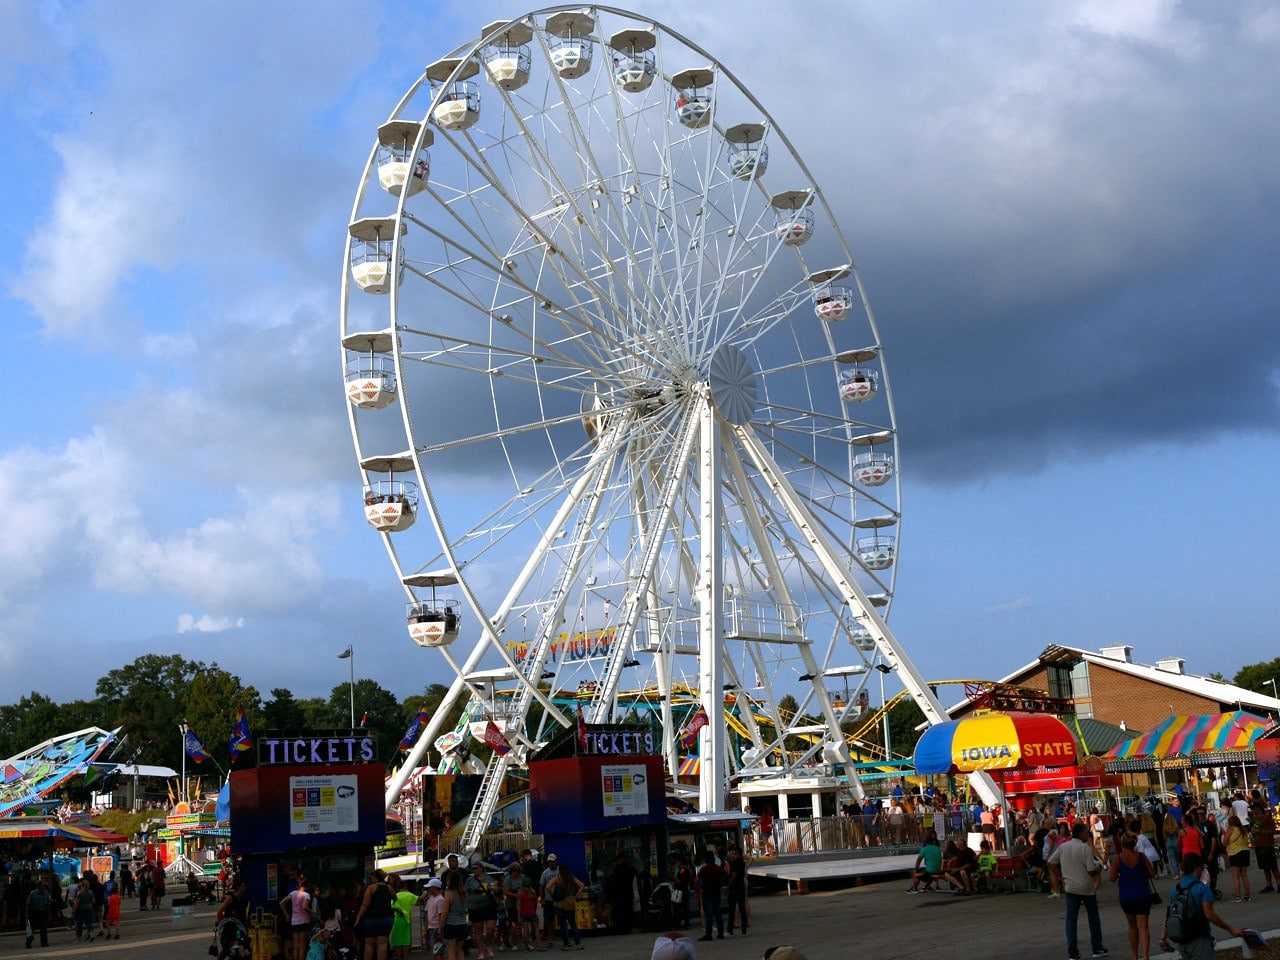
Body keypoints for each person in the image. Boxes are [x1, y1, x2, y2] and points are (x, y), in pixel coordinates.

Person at [1160, 853, 1244, 959]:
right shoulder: (1202, 889)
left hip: (1182, 940)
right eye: (1203, 868)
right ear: (1197, 868)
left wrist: (1163, 938)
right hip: (1199, 939)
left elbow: (1169, 915)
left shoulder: (1175, 889)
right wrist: (1230, 928)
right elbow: (1209, 914)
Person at [1047, 822, 1109, 960]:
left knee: (1071, 920)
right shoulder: (1085, 848)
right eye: (1086, 832)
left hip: (1070, 887)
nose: (1088, 834)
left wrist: (1061, 877)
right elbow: (1090, 869)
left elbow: (1050, 862)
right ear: (1080, 833)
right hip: (1086, 887)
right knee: (1093, 918)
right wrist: (1098, 869)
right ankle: (1097, 947)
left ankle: (1073, 952)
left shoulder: (1063, 847)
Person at [1109, 832, 1155, 960]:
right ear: (1135, 843)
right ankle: (1146, 955)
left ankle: (1134, 955)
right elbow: (1152, 873)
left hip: (1126, 896)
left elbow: (1112, 878)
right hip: (1142, 894)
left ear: (1123, 844)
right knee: (1143, 927)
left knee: (1132, 926)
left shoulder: (1118, 858)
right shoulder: (1141, 856)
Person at [357, 868, 396, 960]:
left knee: (369, 944)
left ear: (375, 878)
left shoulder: (371, 888)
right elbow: (395, 897)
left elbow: (365, 904)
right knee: (382, 943)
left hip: (372, 919)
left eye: (371, 878)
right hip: (386, 918)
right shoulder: (389, 888)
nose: (370, 880)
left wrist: (358, 917)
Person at [546, 861, 584, 950]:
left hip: (559, 904)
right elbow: (582, 885)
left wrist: (553, 896)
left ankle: (566, 945)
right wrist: (576, 896)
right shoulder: (571, 878)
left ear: (560, 870)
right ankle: (578, 944)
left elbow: (547, 887)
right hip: (570, 903)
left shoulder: (557, 878)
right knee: (573, 924)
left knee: (563, 925)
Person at [464, 861, 497, 958]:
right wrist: (466, 904)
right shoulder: (470, 880)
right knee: (478, 930)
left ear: (481, 868)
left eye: (476, 868)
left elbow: (494, 888)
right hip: (475, 907)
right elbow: (465, 892)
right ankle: (480, 951)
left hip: (488, 906)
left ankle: (487, 946)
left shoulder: (488, 878)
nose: (475, 870)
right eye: (473, 869)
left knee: (491, 928)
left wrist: (493, 889)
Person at [1248, 789, 1278, 892]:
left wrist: (1260, 831)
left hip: (1267, 844)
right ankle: (1269, 885)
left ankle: (1278, 883)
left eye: (1253, 809)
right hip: (1259, 844)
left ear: (1258, 810)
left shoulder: (1266, 818)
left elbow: (1272, 831)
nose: (1252, 811)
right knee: (1264, 866)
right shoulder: (1254, 820)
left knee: (1272, 865)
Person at [281, 875, 316, 960]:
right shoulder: (306, 895)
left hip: (294, 922)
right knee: (302, 946)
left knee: (296, 946)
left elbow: (281, 903)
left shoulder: (293, 893)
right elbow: (304, 907)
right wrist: (312, 912)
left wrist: (286, 914)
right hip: (303, 921)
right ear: (307, 886)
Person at [693, 852, 724, 942]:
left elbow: (696, 880)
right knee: (718, 913)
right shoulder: (718, 868)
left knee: (709, 914)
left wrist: (698, 889)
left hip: (707, 892)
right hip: (716, 892)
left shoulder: (704, 869)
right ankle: (721, 933)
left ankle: (708, 934)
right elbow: (722, 880)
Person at [390, 875, 422, 960]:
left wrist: (400, 911)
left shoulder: (396, 896)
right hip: (407, 920)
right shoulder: (410, 895)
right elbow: (420, 899)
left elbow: (392, 906)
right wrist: (426, 892)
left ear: (397, 887)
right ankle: (405, 957)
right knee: (405, 941)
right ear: (406, 886)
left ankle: (398, 957)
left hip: (397, 920)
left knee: (396, 941)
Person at [1221, 814, 1251, 902]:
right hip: (1245, 851)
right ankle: (1247, 895)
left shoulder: (1231, 829)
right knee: (1244, 875)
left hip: (1235, 852)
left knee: (1236, 875)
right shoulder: (1243, 830)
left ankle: (1238, 896)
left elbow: (1224, 842)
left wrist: (1224, 834)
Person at [217, 877, 249, 959]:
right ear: (238, 887)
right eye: (243, 886)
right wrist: (220, 922)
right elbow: (220, 911)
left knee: (238, 947)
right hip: (229, 927)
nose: (245, 888)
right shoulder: (230, 898)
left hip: (240, 926)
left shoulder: (242, 898)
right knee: (227, 949)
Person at [442, 872, 470, 960]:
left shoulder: (449, 892)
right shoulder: (464, 892)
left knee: (451, 952)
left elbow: (445, 911)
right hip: (462, 924)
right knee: (459, 950)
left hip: (451, 924)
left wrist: (440, 925)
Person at [724, 847, 747, 936]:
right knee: (742, 909)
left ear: (739, 854)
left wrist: (728, 886)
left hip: (734, 888)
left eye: (735, 854)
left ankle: (730, 930)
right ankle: (744, 929)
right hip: (741, 887)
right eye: (732, 853)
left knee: (732, 909)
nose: (733, 855)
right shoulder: (742, 862)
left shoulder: (735, 863)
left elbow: (733, 875)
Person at [25, 877, 52, 948]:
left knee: (43, 928)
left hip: (43, 912)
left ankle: (44, 943)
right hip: (34, 912)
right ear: (38, 886)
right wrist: (26, 914)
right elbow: (28, 903)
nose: (43, 887)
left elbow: (48, 904)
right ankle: (28, 942)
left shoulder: (46, 893)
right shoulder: (33, 893)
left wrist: (49, 914)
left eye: (44, 886)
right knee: (32, 929)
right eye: (42, 885)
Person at [424, 878, 446, 956]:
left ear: (435, 887)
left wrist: (439, 930)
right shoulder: (431, 898)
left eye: (430, 887)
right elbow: (427, 915)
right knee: (435, 951)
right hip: (432, 927)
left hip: (436, 927)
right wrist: (426, 929)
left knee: (438, 952)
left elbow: (441, 915)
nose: (428, 889)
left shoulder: (440, 900)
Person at [72, 877, 95, 941]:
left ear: (82, 885)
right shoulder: (91, 892)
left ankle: (78, 936)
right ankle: (91, 933)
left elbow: (77, 902)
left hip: (81, 909)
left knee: (80, 923)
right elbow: (94, 901)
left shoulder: (80, 893)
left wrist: (73, 910)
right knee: (89, 922)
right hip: (89, 908)